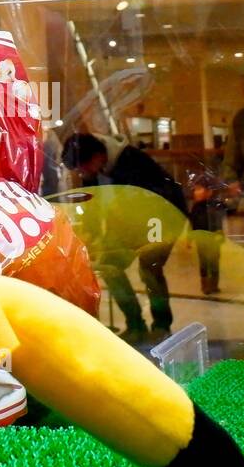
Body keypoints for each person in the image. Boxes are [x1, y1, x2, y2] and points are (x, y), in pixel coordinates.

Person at [61, 132, 186, 344]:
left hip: (161, 219)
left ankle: (162, 326)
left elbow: (149, 203)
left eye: (83, 167)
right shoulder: (94, 168)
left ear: (98, 155)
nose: (83, 173)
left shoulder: (132, 162)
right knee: (109, 265)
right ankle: (135, 324)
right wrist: (95, 235)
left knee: (150, 268)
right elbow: (93, 204)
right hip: (130, 224)